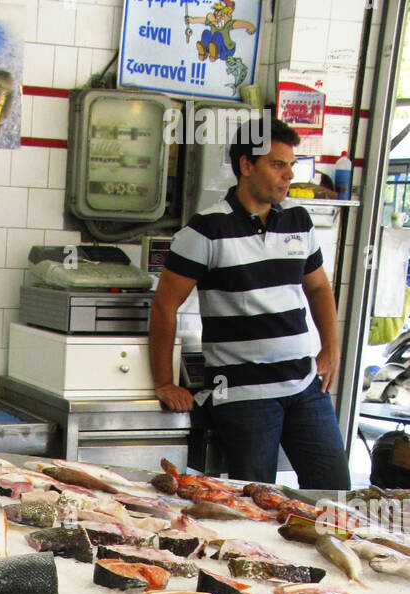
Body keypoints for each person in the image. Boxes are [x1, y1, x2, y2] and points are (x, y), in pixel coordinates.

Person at [149, 116, 351, 488]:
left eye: (291, 165)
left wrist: (332, 347)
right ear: (246, 165)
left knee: (334, 493)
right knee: (253, 501)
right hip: (244, 395)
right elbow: (164, 306)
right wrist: (164, 381)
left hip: (305, 385)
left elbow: (320, 288)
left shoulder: (299, 221)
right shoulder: (205, 230)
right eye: (277, 165)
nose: (288, 175)